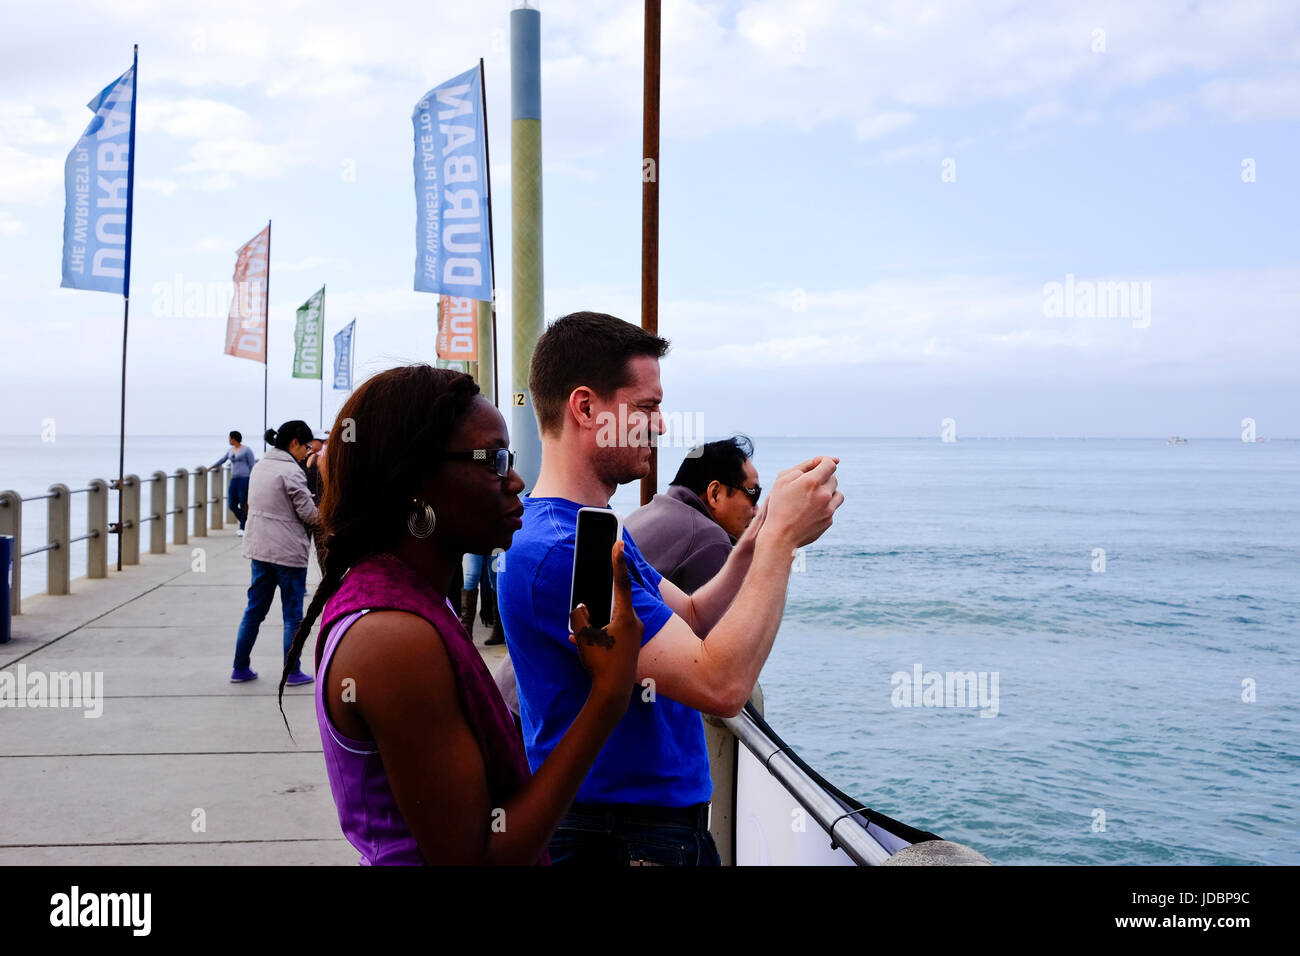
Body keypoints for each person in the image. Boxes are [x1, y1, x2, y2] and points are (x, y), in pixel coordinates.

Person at [497, 311, 843, 866]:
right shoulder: (566, 552)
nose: (660, 428)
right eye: (647, 407)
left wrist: (759, 533)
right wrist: (781, 543)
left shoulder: (591, 528)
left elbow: (695, 617)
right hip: (619, 839)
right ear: (586, 408)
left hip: (641, 831)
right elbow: (721, 684)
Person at [277, 365, 643, 865]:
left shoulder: (413, 600)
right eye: (493, 460)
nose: (515, 480)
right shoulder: (393, 638)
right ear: (417, 480)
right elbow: (480, 858)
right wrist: (607, 698)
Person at [230, 421, 319, 685]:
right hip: (287, 553)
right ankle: (292, 672)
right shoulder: (291, 471)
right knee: (292, 615)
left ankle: (240, 667)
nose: (307, 451)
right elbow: (310, 515)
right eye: (305, 446)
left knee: (254, 611)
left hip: (260, 549)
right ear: (294, 443)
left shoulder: (260, 466)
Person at [624, 436, 761, 594]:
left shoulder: (647, 513)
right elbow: (726, 618)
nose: (757, 510)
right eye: (753, 493)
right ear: (715, 494)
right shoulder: (710, 540)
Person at [212, 430, 256, 535]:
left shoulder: (246, 450)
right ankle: (246, 523)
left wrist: (252, 479)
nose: (229, 440)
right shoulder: (230, 450)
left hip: (244, 479)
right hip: (234, 479)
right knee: (231, 504)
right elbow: (223, 460)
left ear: (234, 438)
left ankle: (242, 528)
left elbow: (252, 465)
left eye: (230, 438)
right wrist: (212, 467)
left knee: (243, 503)